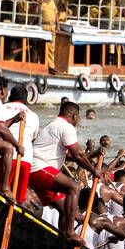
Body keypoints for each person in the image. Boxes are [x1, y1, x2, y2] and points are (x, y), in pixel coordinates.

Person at [28, 100, 97, 240]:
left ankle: (63, 239)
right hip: (39, 168)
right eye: (78, 117)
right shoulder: (66, 126)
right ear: (74, 115)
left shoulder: (53, 125)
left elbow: (72, 155)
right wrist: (95, 171)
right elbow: (78, 155)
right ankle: (71, 233)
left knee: (65, 207)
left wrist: (94, 154)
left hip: (38, 171)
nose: (79, 121)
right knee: (74, 187)